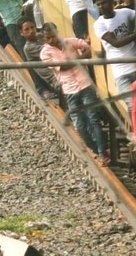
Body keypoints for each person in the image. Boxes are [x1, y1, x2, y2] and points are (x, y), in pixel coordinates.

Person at [40, 22, 110, 166]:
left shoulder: (69, 42)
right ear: (44, 38)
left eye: (53, 36)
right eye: (48, 38)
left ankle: (102, 153)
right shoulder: (45, 53)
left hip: (85, 84)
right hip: (70, 89)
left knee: (93, 118)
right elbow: (63, 67)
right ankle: (97, 149)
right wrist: (81, 58)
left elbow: (88, 48)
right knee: (79, 126)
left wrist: (82, 55)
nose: (52, 40)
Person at [94, 0, 136, 97]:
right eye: (98, 5)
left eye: (103, 3)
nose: (101, 6)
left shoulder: (125, 13)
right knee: (131, 104)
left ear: (111, 1)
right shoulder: (99, 24)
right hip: (121, 73)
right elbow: (116, 43)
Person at [18, 18, 59, 104]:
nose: (31, 31)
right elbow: (52, 49)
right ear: (21, 33)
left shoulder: (40, 36)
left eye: (32, 27)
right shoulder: (28, 48)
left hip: (58, 71)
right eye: (27, 29)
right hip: (54, 77)